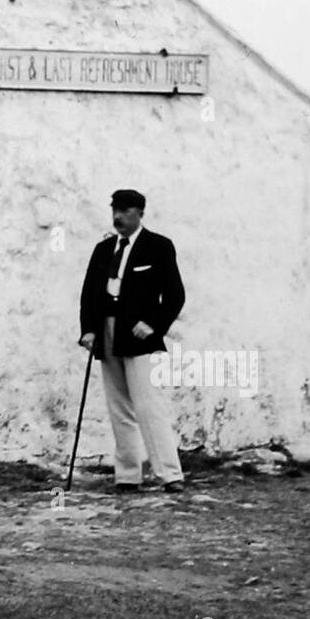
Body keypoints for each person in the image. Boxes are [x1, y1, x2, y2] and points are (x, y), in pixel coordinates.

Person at [78, 189, 187, 493]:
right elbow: (89, 295)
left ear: (139, 213)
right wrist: (88, 330)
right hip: (107, 331)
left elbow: (175, 295)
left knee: (149, 405)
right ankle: (127, 476)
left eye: (125, 211)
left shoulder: (158, 246)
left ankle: (170, 475)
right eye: (115, 209)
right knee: (118, 407)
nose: (118, 217)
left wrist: (153, 325)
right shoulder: (103, 250)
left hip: (139, 336)